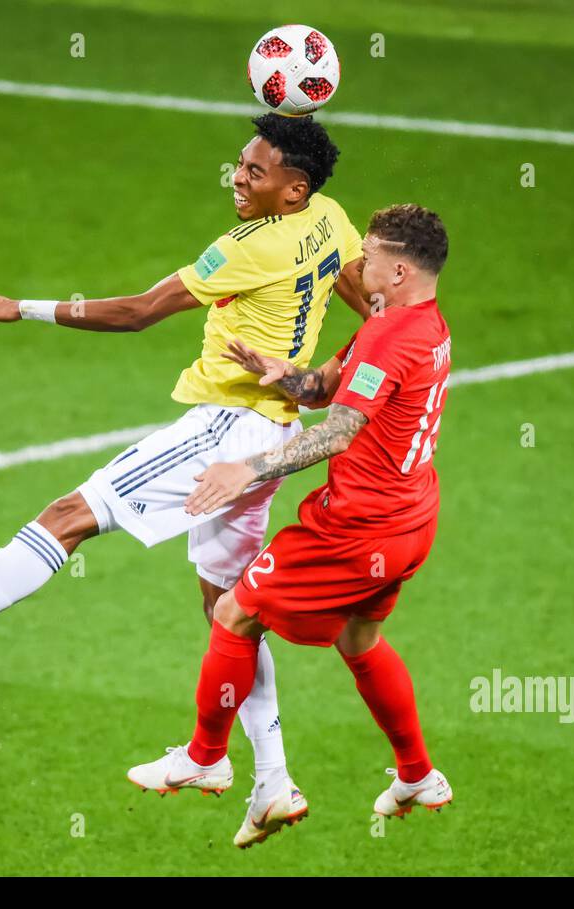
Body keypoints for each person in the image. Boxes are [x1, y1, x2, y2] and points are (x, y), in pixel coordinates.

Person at [0, 114, 370, 844]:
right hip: (274, 436)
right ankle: (270, 778)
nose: (236, 177)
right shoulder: (332, 221)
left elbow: (140, 312)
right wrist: (331, 375)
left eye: (254, 171)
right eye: (238, 164)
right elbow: (379, 311)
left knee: (69, 515)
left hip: (224, 430)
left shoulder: (246, 249)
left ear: (291, 186)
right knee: (229, 611)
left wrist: (24, 307)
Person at [128, 204, 453, 847]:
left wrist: (246, 469)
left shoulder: (391, 336)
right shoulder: (422, 325)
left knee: (233, 613)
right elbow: (330, 387)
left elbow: (336, 434)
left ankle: (203, 758)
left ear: (397, 267)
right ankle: (417, 774)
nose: (356, 265)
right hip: (412, 519)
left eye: (368, 256)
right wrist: (285, 377)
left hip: (357, 528)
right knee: (359, 641)